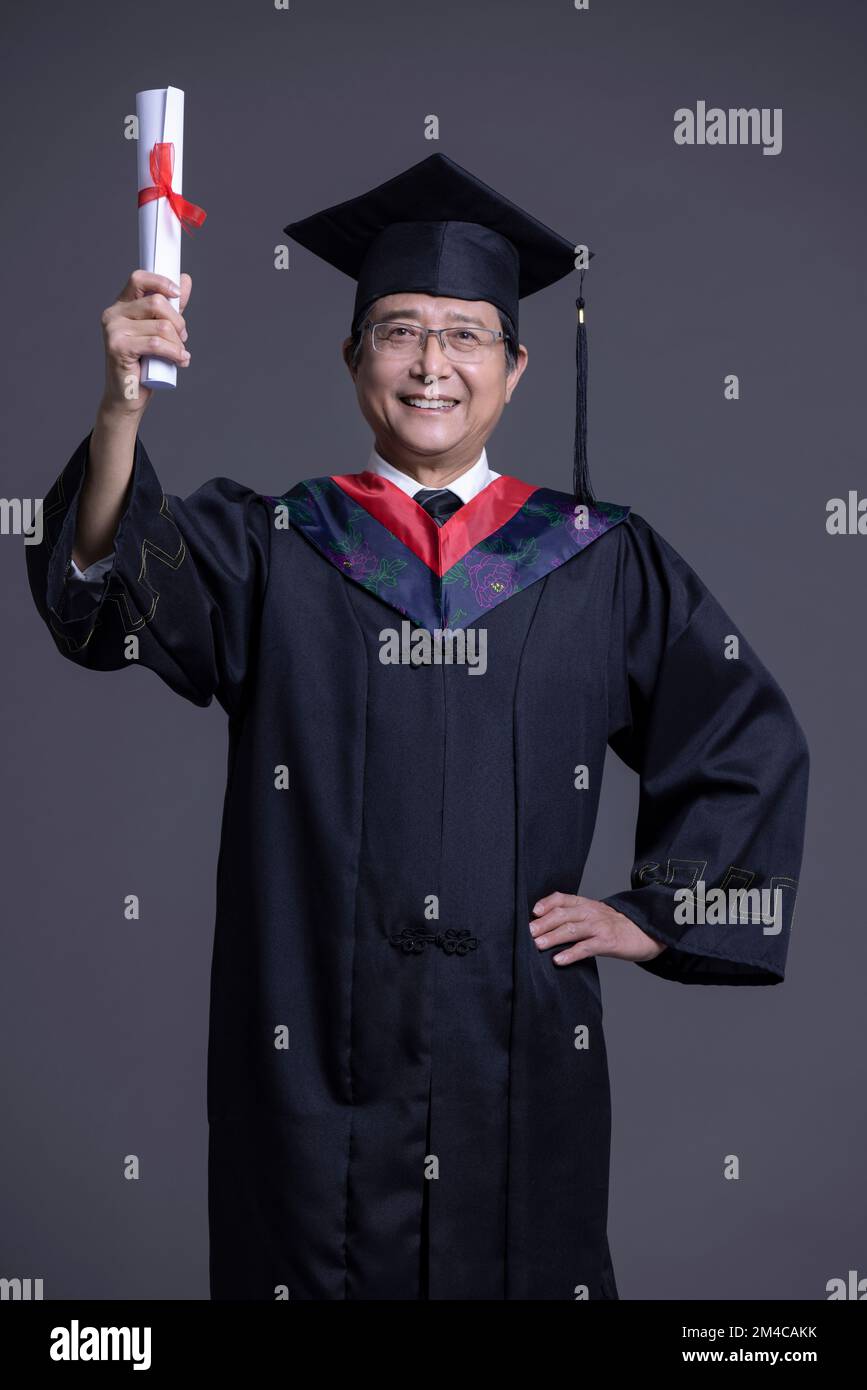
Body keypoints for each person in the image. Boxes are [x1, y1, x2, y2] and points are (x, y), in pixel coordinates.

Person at [26, 153, 809, 1301]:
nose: (431, 363)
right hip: (311, 1046)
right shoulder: (274, 545)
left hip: (519, 1047)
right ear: (354, 359)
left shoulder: (597, 558)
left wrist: (661, 915)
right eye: (398, 331)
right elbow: (104, 597)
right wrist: (121, 404)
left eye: (465, 335)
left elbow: (745, 732)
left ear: (515, 367)